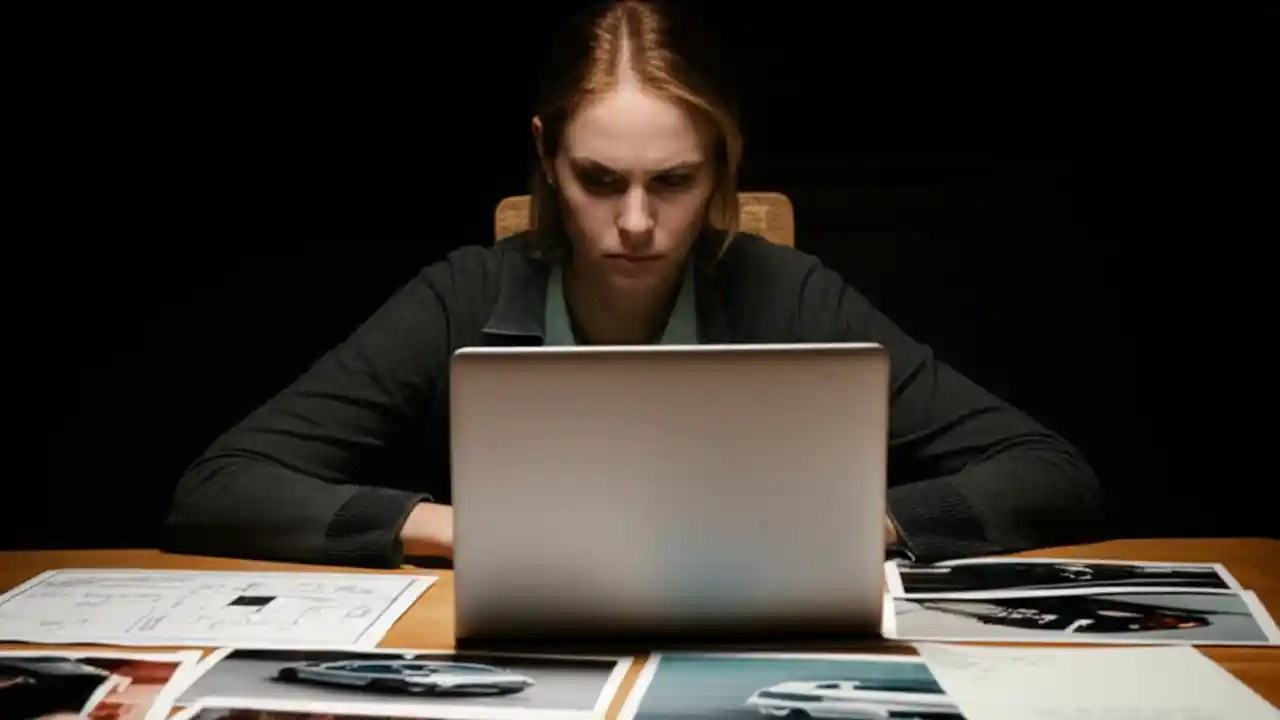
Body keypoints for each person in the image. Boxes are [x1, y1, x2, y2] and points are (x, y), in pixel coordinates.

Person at [162, 0, 1105, 569]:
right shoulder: (461, 296)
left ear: (724, 164)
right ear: (546, 158)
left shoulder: (788, 293)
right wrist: (471, 530)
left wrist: (860, 524)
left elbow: (1050, 473)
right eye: (601, 180)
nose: (640, 222)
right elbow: (222, 488)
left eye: (677, 181)